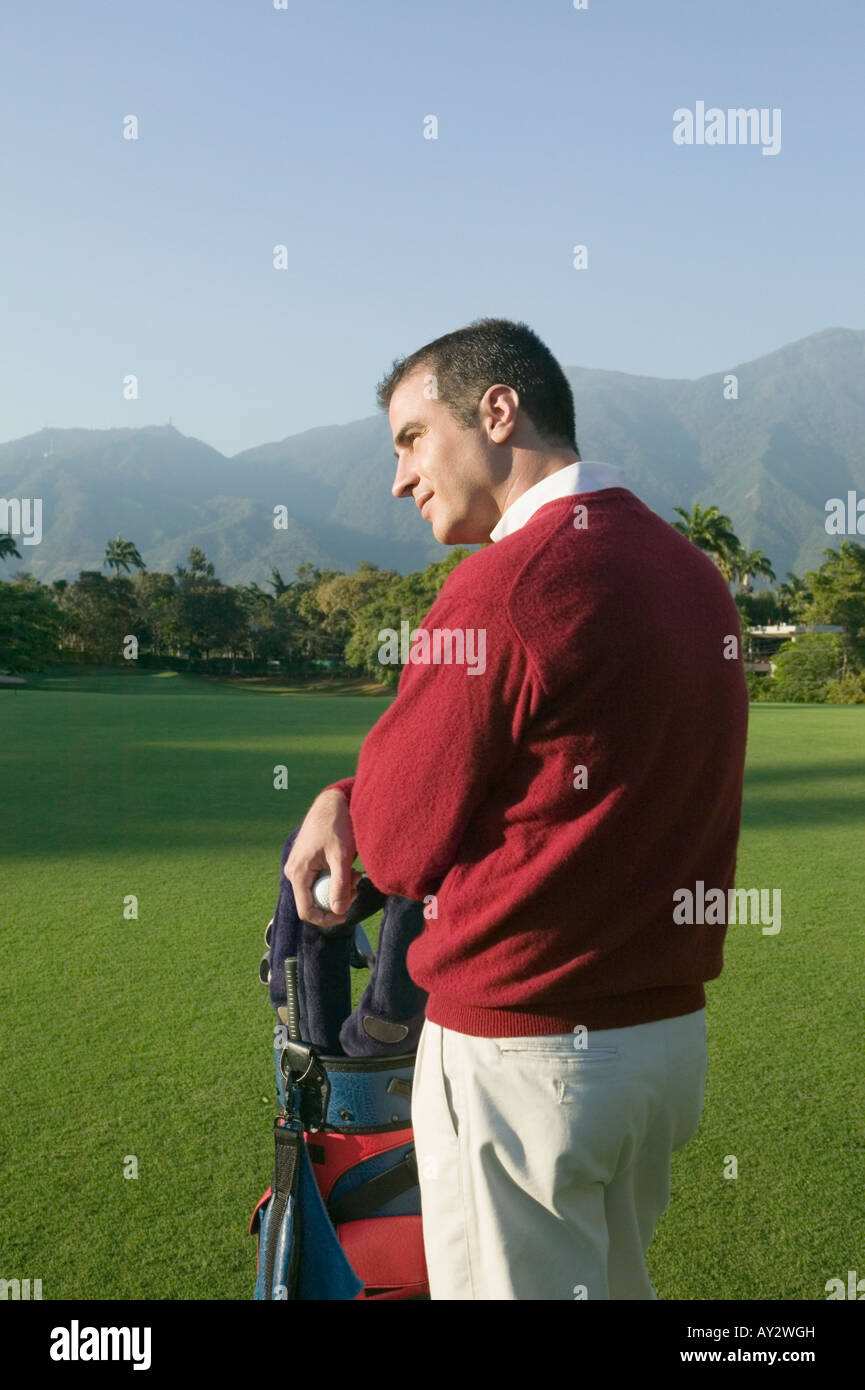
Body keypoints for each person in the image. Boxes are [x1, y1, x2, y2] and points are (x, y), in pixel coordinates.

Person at [285, 317, 749, 1300]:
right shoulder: (691, 574)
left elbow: (404, 848)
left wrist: (348, 801)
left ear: (497, 411)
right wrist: (348, 796)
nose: (400, 477)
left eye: (413, 438)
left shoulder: (506, 581)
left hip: (526, 1058)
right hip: (660, 1050)